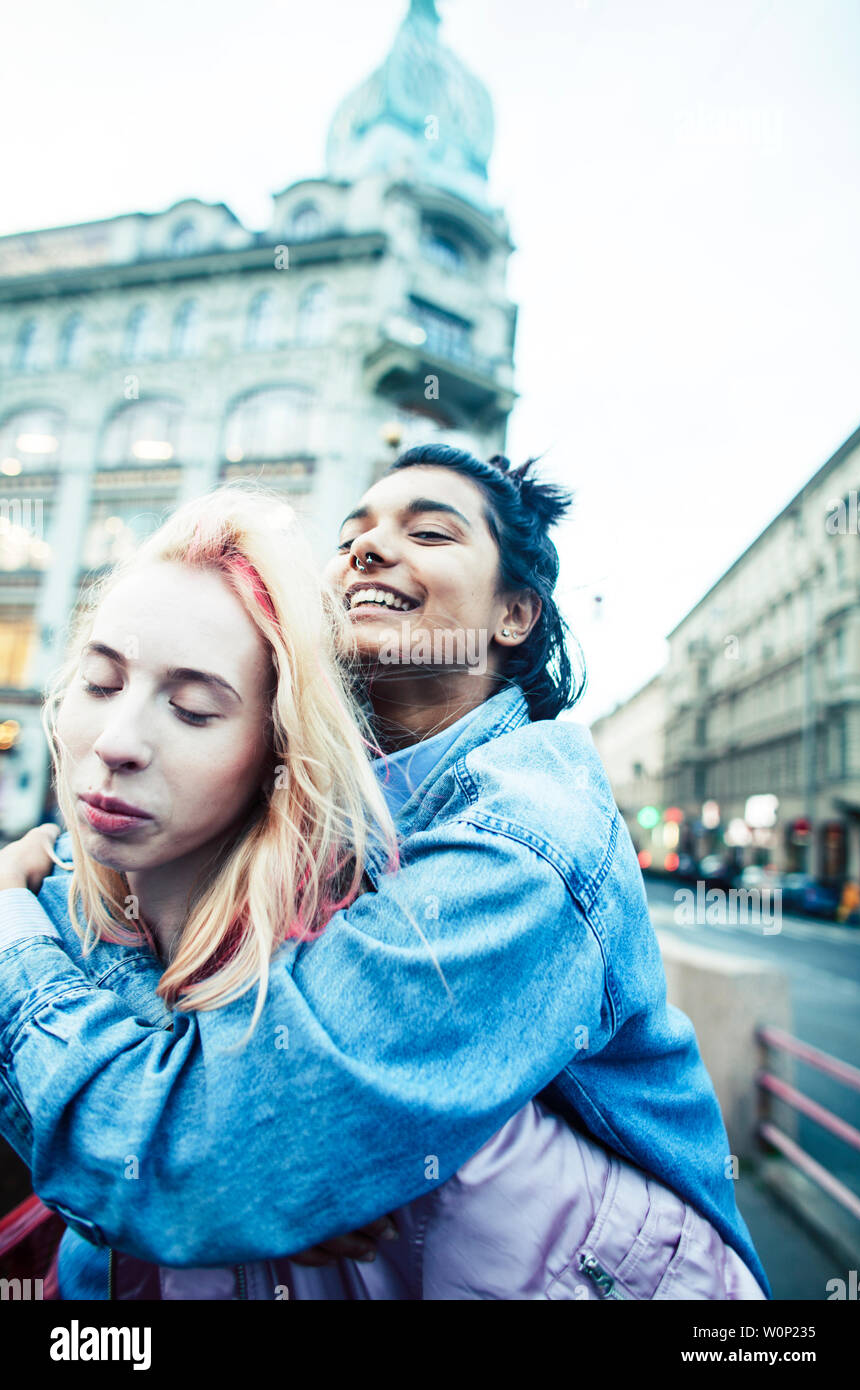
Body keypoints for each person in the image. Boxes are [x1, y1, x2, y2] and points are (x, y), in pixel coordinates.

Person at [0, 449, 770, 1299]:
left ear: (514, 613)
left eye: (429, 531)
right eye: (350, 537)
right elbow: (171, 957)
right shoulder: (305, 788)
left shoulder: (529, 837)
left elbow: (205, 1155)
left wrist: (20, 922)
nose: (366, 550)